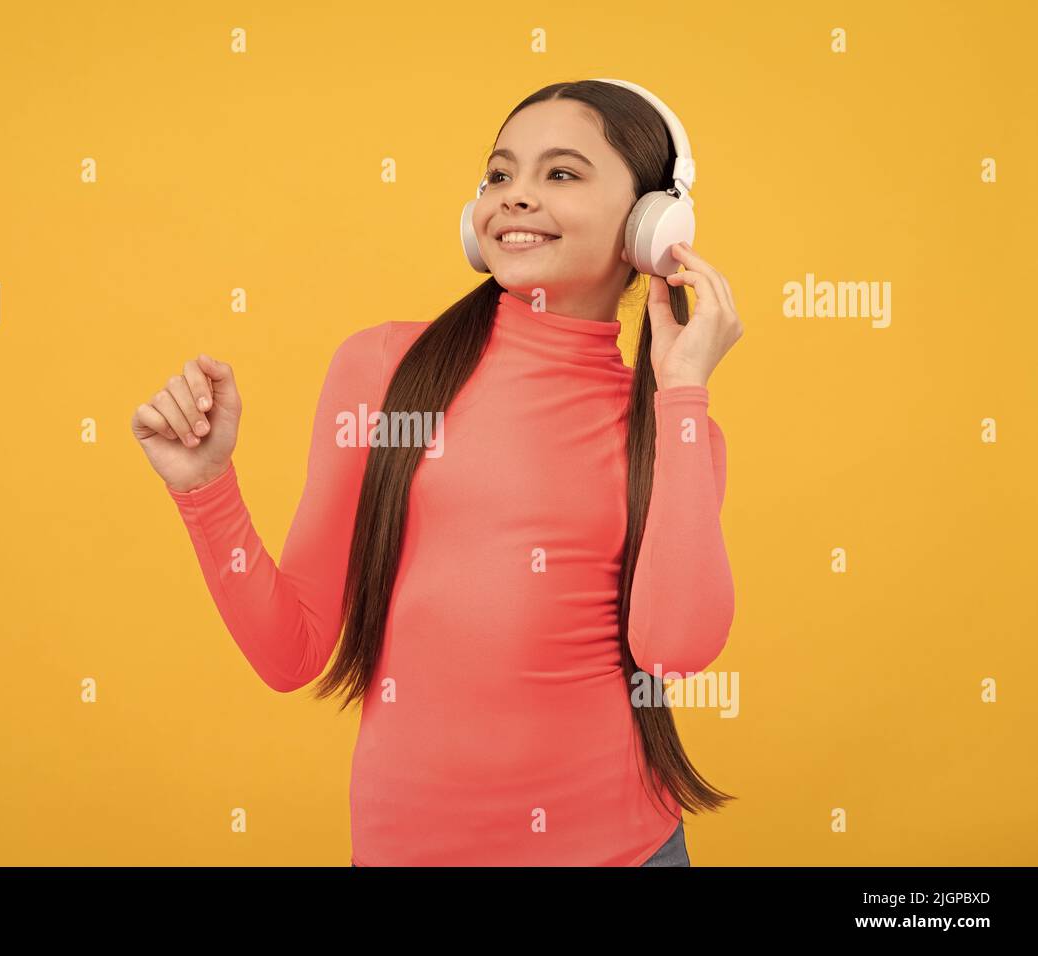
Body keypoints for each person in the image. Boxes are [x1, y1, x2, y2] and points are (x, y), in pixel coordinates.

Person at [132, 79, 743, 866]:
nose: (516, 197)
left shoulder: (676, 430)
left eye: (560, 174)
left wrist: (685, 391)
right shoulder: (383, 368)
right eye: (499, 175)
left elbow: (677, 651)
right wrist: (203, 488)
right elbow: (293, 653)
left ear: (654, 226)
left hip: (625, 851)